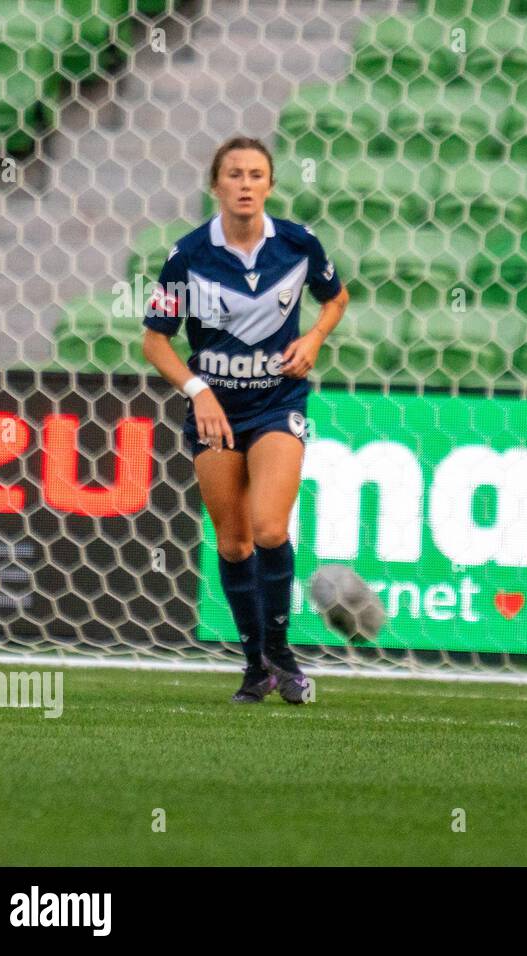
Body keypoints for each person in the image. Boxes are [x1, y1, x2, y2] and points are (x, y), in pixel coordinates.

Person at [141, 136, 349, 703]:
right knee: (232, 545)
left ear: (270, 186)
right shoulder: (187, 256)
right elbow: (155, 342)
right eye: (235, 174)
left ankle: (280, 651)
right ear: (216, 185)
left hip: (279, 403)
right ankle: (254, 665)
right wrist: (197, 388)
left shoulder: (298, 244)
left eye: (257, 174)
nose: (246, 184)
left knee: (269, 529)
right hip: (216, 414)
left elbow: (336, 297)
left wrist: (315, 337)